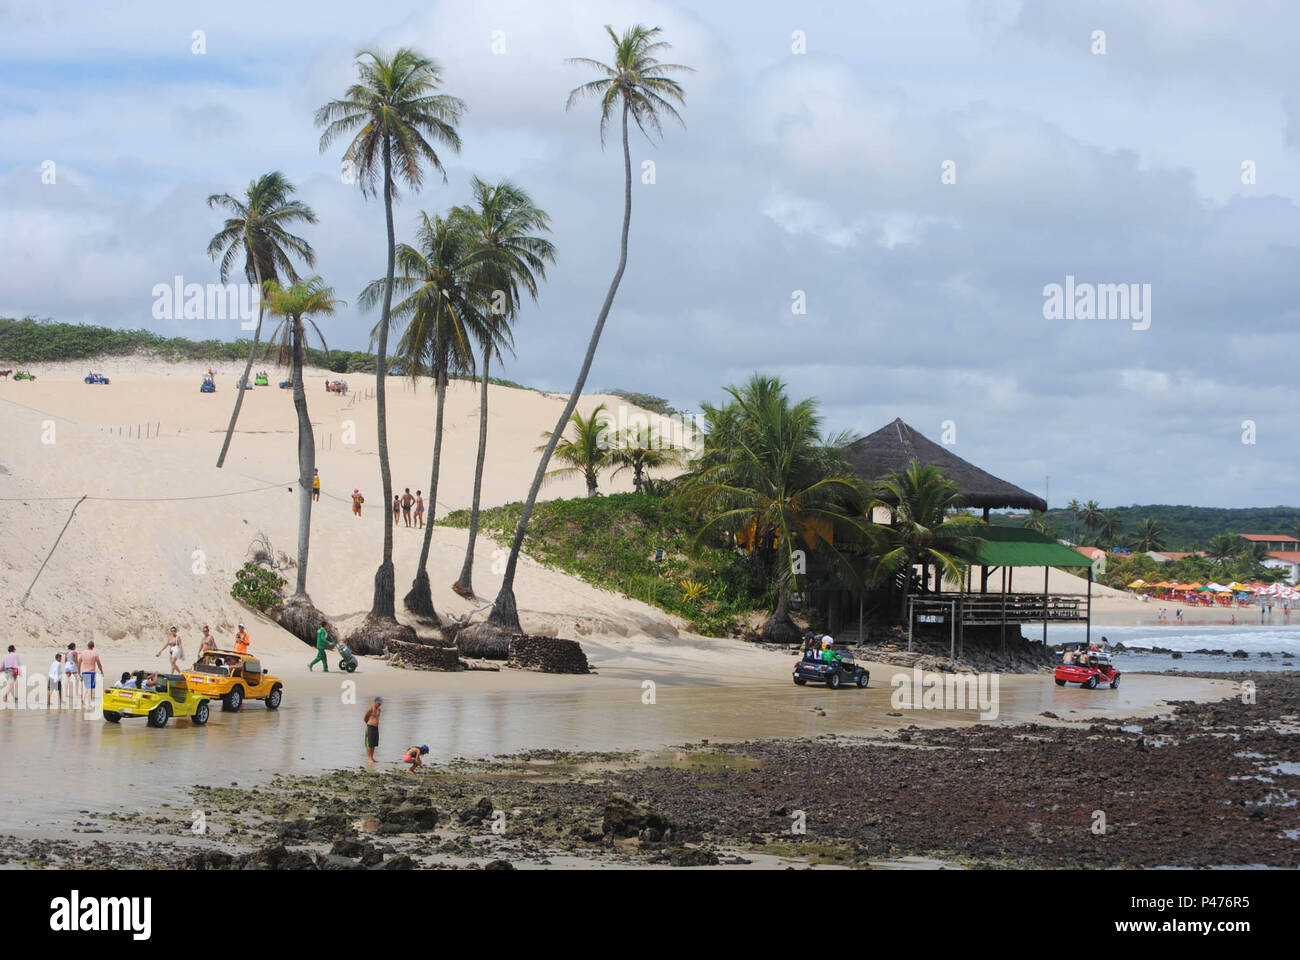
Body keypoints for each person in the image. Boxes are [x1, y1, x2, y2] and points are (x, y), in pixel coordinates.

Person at [77, 641, 104, 707]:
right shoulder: (94, 653)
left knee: (87, 687)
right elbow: (99, 663)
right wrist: (101, 671)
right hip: (91, 672)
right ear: (93, 646)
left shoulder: (82, 653)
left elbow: (79, 663)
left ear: (87, 646)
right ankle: (88, 704)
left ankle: (83, 699)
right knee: (90, 688)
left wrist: (79, 672)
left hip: (84, 672)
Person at [363, 697, 382, 763]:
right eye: (378, 703)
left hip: (376, 728)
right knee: (369, 743)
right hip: (370, 727)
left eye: (380, 703)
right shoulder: (370, 709)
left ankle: (372, 757)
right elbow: (365, 717)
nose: (379, 704)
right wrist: (369, 724)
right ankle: (369, 758)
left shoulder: (379, 710)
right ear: (375, 702)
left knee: (374, 743)